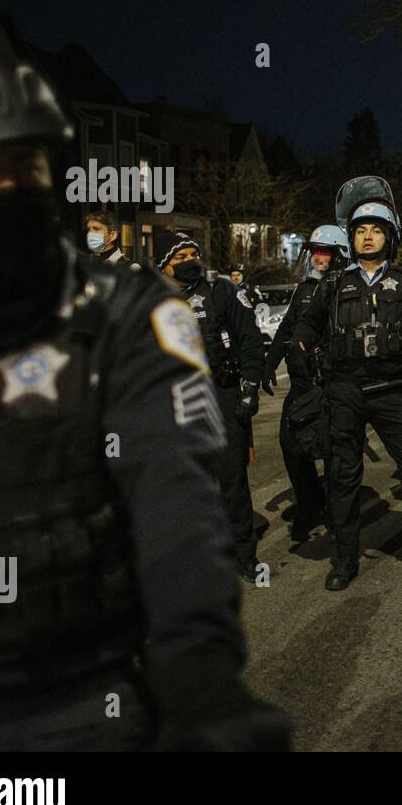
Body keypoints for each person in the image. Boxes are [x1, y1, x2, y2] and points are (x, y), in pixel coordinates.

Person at [0, 35, 287, 750]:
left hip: (80, 697)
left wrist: (200, 680)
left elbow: (174, 504)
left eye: (19, 166)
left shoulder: (127, 313)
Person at [292, 176, 402, 591]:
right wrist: (300, 350)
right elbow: (306, 325)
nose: (367, 237)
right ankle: (345, 559)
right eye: (360, 230)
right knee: (342, 478)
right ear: (351, 237)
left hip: (396, 391)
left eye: (376, 230)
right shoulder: (333, 284)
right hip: (344, 394)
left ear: (390, 236)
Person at [155, 231, 266, 582]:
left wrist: (250, 386)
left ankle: (243, 555)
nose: (189, 262)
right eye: (180, 257)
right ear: (164, 265)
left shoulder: (221, 291)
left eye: (193, 254)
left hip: (221, 394)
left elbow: (249, 339)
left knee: (231, 479)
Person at [262, 224, 348, 542]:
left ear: (339, 256)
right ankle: (310, 505)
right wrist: (269, 365)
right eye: (315, 251)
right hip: (300, 386)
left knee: (333, 451)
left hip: (329, 386)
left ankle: (340, 514)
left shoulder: (344, 289)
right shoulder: (303, 289)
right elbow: (286, 329)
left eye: (325, 251)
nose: (319, 257)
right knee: (292, 446)